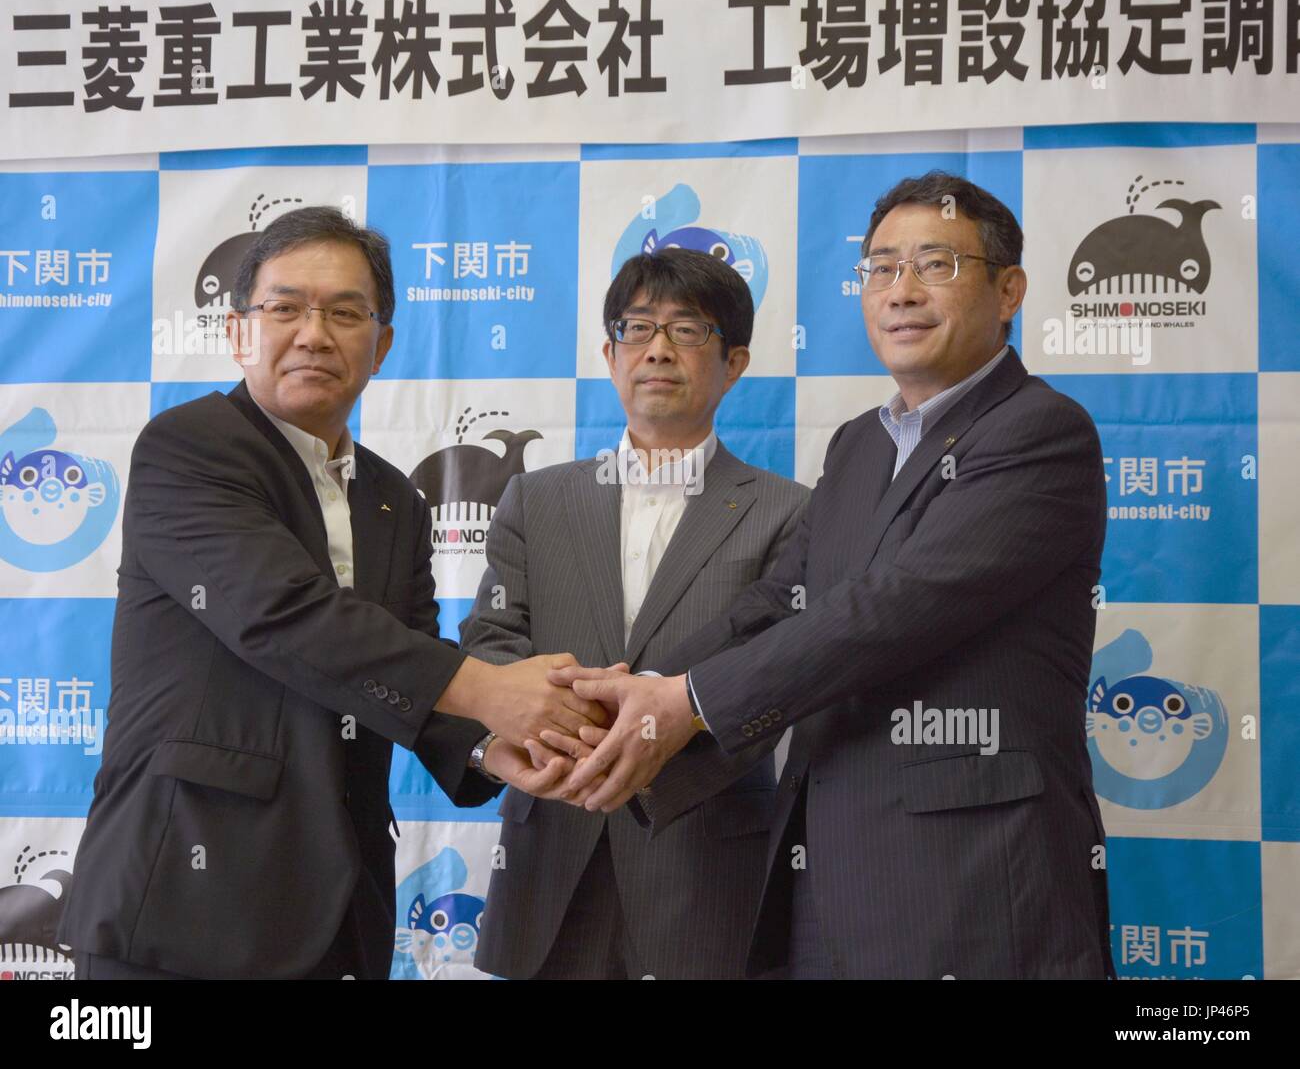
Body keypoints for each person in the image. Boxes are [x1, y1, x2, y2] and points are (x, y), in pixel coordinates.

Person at [547, 172, 1115, 979]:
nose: (902, 291)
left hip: (976, 877)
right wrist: (622, 700)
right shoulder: (858, 445)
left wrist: (686, 704)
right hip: (820, 869)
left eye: (936, 266)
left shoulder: (1041, 432)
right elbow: (776, 606)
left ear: (1009, 289)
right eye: (880, 268)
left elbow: (894, 611)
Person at [58, 207, 603, 980]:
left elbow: (405, 654)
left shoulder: (394, 498)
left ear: (380, 347)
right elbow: (281, 617)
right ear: (238, 332)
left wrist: (494, 743)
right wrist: (489, 690)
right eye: (284, 308)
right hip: (182, 907)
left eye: (345, 313)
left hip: (341, 911)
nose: (314, 333)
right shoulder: (187, 448)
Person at [459, 249, 808, 979]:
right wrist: (569, 732)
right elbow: (490, 640)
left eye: (687, 331)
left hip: (706, 859)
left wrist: (650, 726)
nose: (658, 349)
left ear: (734, 362)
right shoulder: (537, 498)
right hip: (551, 844)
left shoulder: (788, 511)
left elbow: (776, 671)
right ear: (610, 352)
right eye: (639, 327)